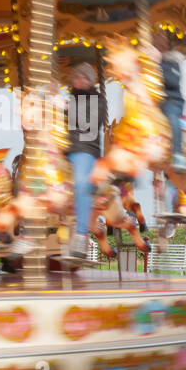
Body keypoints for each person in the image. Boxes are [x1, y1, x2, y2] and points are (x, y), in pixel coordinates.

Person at [65, 62, 104, 258]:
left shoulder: (98, 100)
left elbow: (90, 122)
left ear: (91, 81)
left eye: (85, 77)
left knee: (81, 182)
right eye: (77, 76)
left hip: (85, 149)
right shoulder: (69, 99)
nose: (80, 80)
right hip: (64, 150)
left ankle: (81, 235)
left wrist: (66, 108)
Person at [155, 32, 186, 175]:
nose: (156, 45)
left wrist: (157, 65)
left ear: (166, 46)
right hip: (156, 102)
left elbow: (172, 81)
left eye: (159, 42)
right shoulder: (151, 63)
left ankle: (178, 154)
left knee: (172, 119)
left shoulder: (173, 62)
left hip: (172, 101)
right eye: (154, 42)